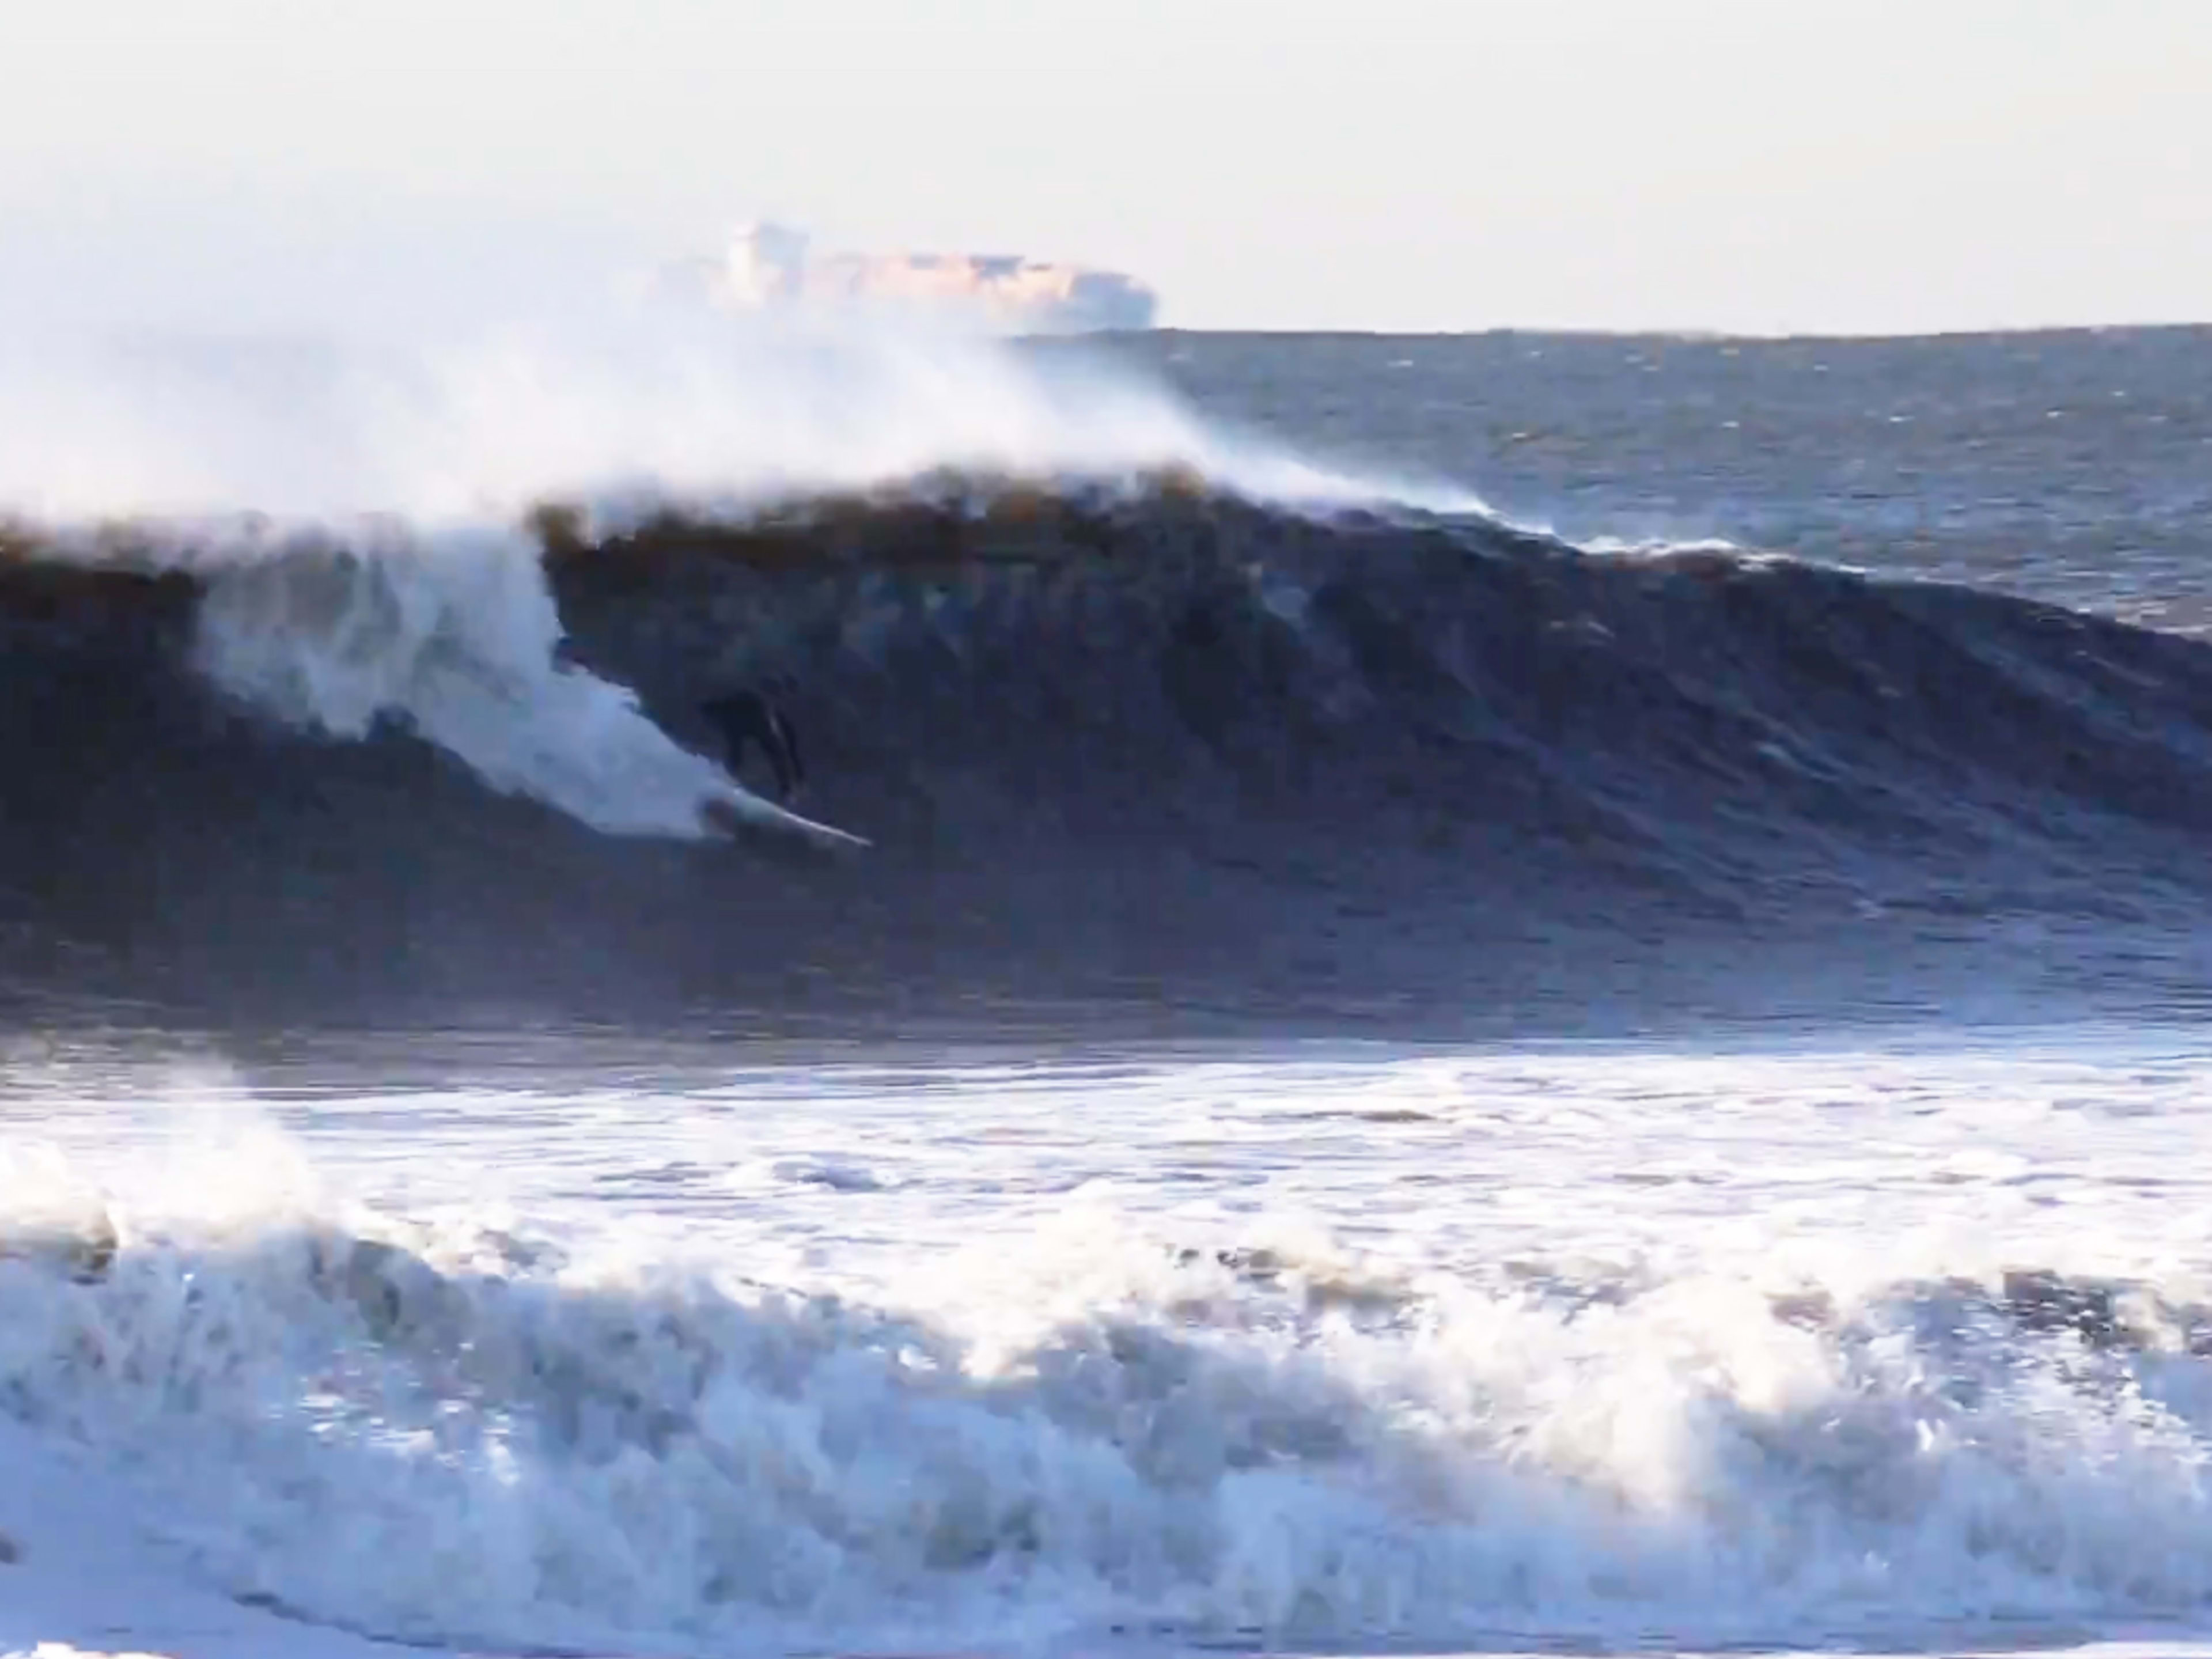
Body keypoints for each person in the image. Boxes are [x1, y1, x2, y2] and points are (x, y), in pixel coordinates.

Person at [700, 678, 805, 802]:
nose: (711, 725)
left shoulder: (727, 718)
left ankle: (788, 790)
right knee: (775, 753)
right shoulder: (727, 712)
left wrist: (730, 776)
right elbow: (736, 750)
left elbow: (736, 750)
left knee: (776, 753)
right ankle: (787, 790)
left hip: (760, 719)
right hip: (759, 716)